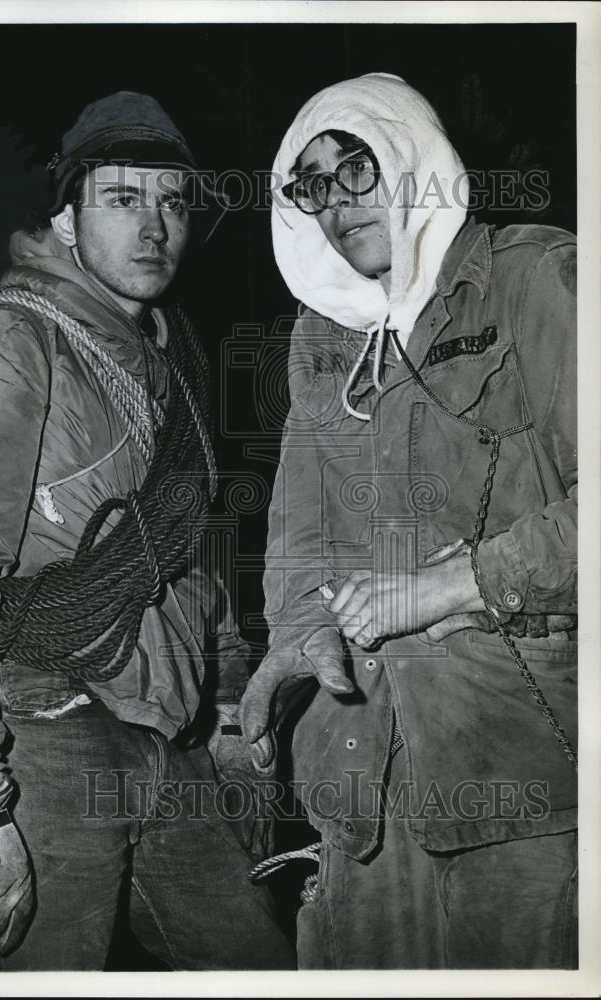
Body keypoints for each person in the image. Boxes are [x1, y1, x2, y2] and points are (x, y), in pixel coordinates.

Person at [0, 91, 294, 971]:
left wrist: (231, 705)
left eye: (172, 200)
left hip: (170, 737)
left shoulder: (171, 353)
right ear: (65, 213)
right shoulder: (0, 350)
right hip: (34, 734)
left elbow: (190, 560)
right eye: (122, 200)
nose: (154, 225)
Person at [241, 73, 577, 969]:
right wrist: (302, 638)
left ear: (413, 158)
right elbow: (300, 525)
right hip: (364, 777)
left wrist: (450, 587)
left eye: (356, 168)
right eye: (312, 185)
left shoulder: (534, 280)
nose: (336, 203)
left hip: (524, 765)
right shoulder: (326, 337)